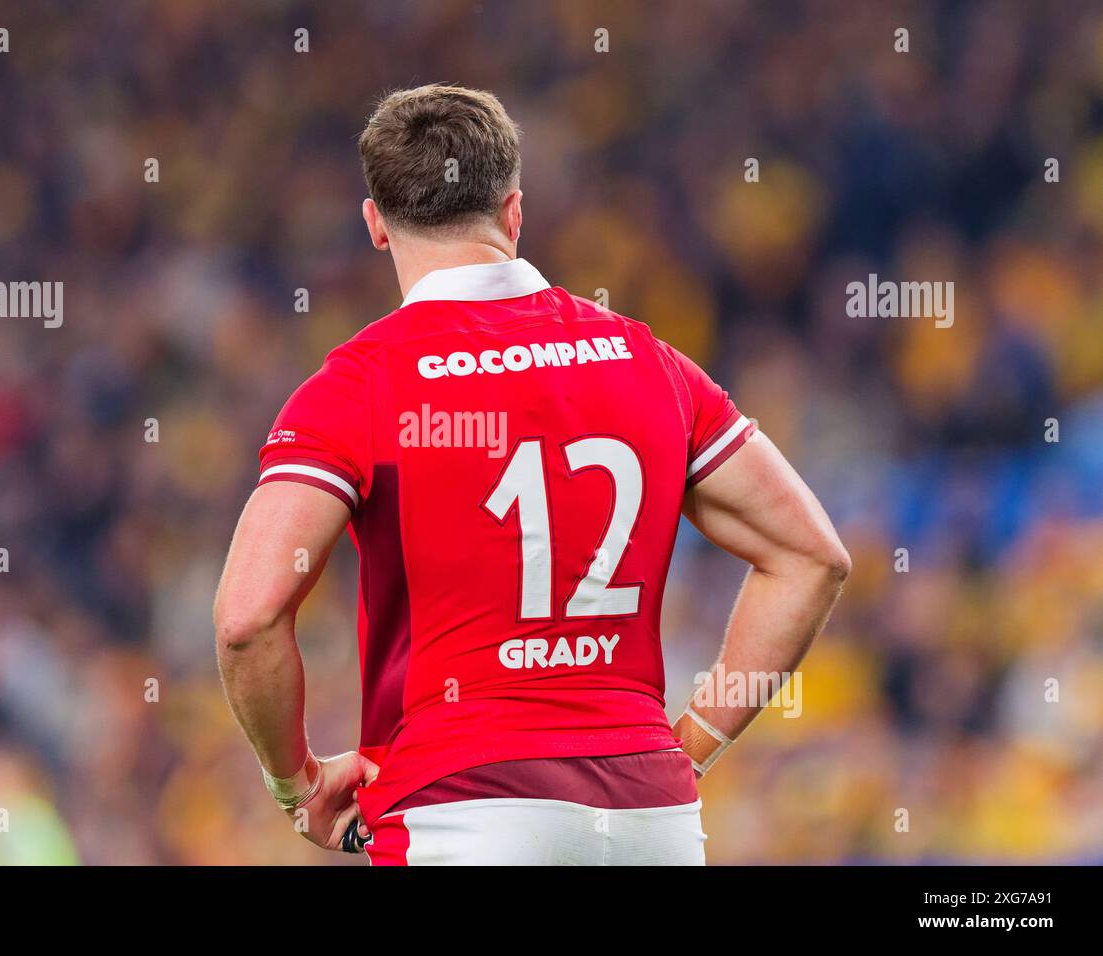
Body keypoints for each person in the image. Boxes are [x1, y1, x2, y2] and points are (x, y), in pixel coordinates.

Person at [214, 84, 851, 865]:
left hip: (463, 805)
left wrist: (298, 787)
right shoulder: (649, 360)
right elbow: (812, 556)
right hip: (651, 819)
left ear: (376, 225)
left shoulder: (359, 385)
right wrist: (691, 742)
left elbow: (247, 620)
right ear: (514, 212)